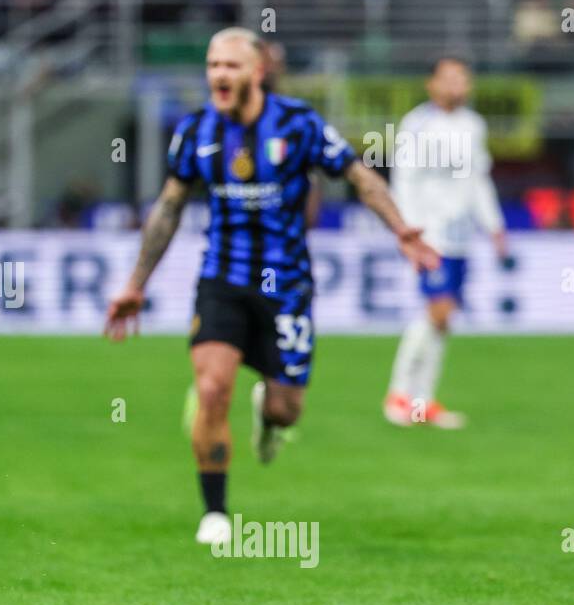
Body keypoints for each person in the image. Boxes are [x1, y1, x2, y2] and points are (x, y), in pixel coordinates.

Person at [105, 27, 439, 546]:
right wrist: (134, 283)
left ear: (257, 72)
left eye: (231, 66)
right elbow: (169, 207)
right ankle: (214, 512)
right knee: (214, 388)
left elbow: (358, 176)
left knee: (287, 409)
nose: (219, 74)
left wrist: (401, 230)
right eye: (213, 65)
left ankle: (268, 413)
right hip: (222, 279)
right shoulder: (195, 131)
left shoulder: (299, 123)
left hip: (286, 286)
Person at [384, 58, 508, 429]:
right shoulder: (418, 125)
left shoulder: (473, 125)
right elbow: (402, 180)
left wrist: (494, 226)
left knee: (444, 318)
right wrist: (406, 229)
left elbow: (479, 180)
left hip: (461, 236)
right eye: (448, 79)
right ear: (432, 84)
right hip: (429, 235)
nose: (456, 86)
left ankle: (421, 403)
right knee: (438, 310)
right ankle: (399, 395)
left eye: (462, 79)